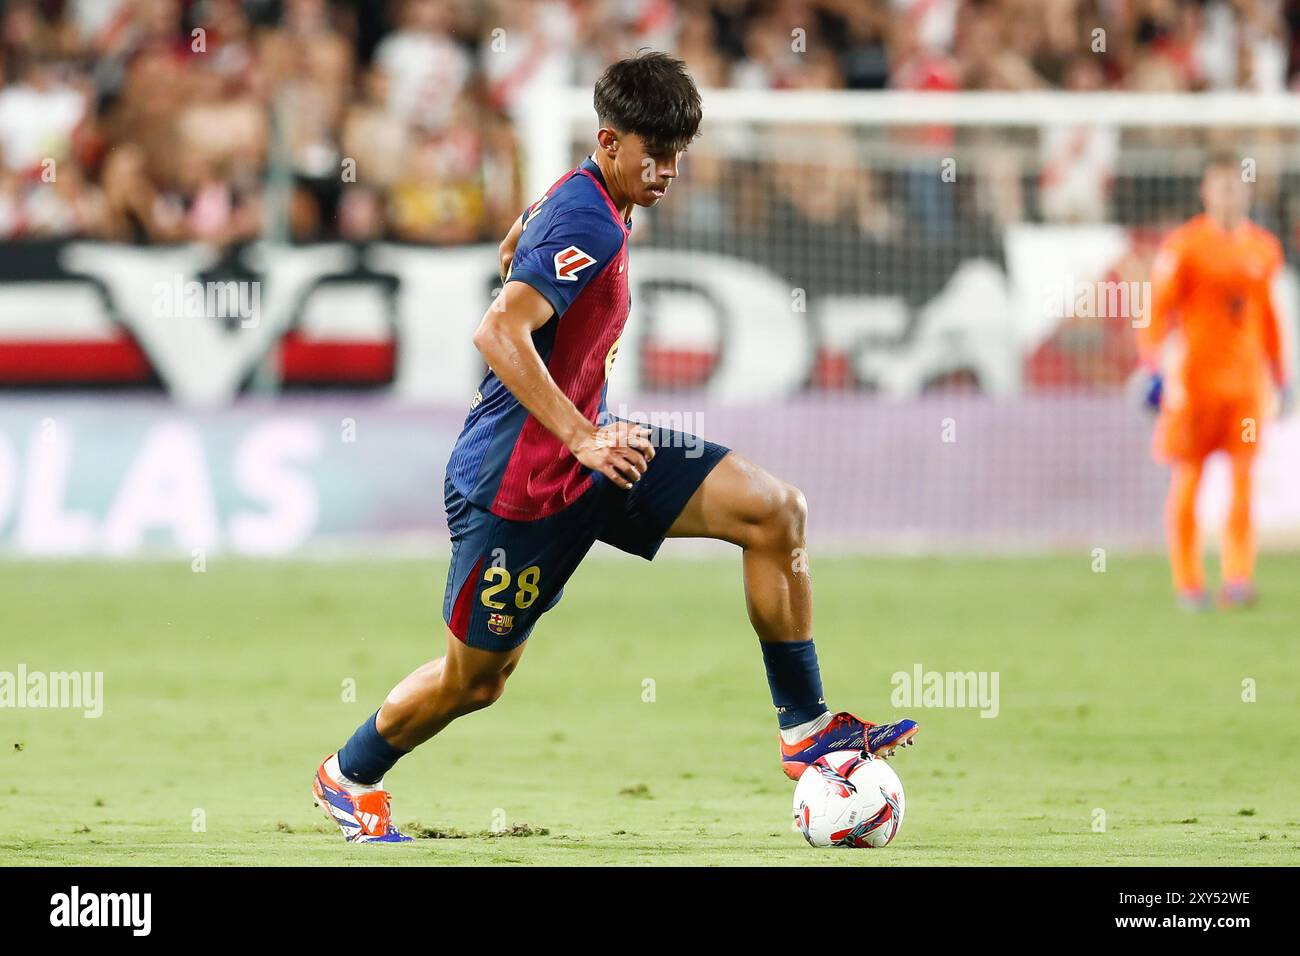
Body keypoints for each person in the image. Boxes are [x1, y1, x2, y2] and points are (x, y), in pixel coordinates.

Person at [312, 52, 918, 843]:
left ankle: (804, 732)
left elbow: (512, 259)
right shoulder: (589, 218)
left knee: (774, 512)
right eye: (653, 154)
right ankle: (348, 776)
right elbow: (498, 328)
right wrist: (580, 434)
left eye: (677, 155)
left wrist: (590, 432)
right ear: (608, 140)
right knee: (476, 682)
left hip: (601, 454)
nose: (667, 171)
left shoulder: (591, 196)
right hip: (518, 487)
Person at [1138, 150, 1288, 610]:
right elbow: (1156, 312)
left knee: (1244, 481)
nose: (1228, 194)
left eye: (1236, 185)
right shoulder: (1183, 247)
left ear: (1245, 190)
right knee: (1189, 478)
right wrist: (1152, 367)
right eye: (1220, 185)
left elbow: (1267, 318)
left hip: (1245, 388)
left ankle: (1238, 578)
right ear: (1206, 191)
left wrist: (1280, 374)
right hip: (1194, 388)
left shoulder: (1264, 248)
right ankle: (1189, 582)